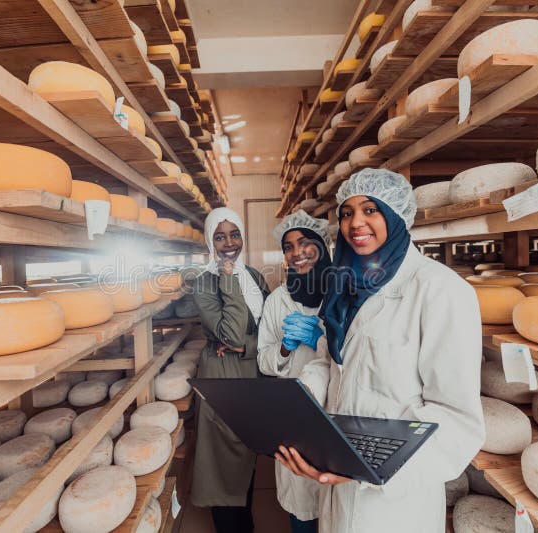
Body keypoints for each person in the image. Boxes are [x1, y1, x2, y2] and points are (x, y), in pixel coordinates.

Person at [275, 168, 485, 532]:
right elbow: (329, 360)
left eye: (370, 210)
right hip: (336, 472)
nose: (356, 222)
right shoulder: (344, 286)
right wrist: (303, 407)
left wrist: (368, 465)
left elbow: (456, 418)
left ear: (397, 216)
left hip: (395, 500)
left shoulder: (440, 291)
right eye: (347, 212)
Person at [190, 207, 270, 533]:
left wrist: (248, 348)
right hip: (223, 381)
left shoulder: (255, 276)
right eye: (220, 236)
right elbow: (231, 335)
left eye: (234, 234)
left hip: (253, 376)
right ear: (210, 241)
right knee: (223, 468)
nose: (228, 243)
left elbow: (267, 332)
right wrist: (227, 277)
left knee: (245, 462)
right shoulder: (204, 284)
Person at [256, 210, 333, 533]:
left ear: (320, 246)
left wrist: (322, 341)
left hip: (337, 406)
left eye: (304, 243)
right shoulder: (278, 300)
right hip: (295, 412)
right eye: (288, 246)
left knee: (336, 498)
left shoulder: (341, 294)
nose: (296, 252)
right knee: (300, 498)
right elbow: (263, 360)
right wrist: (285, 348)